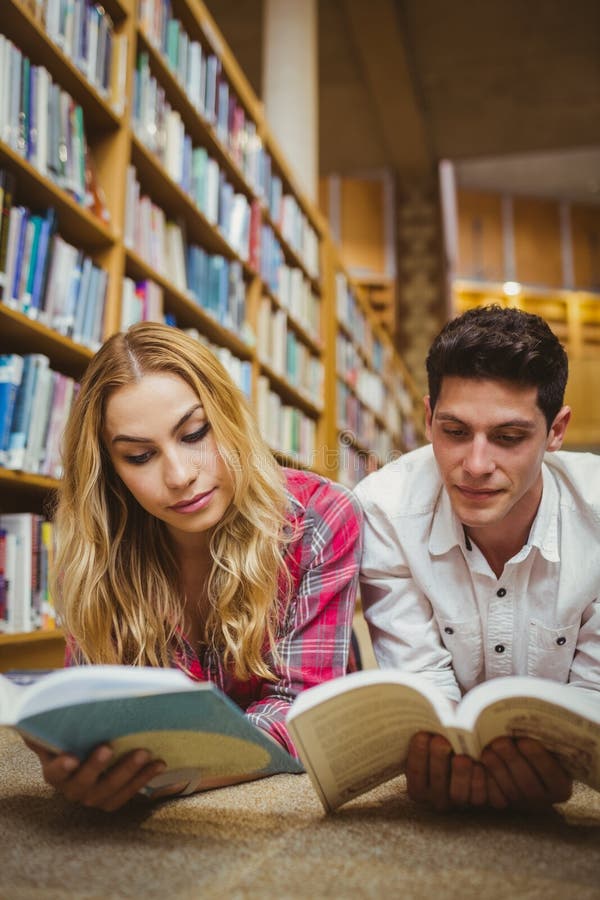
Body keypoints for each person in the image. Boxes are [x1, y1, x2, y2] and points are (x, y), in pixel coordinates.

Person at [29, 322, 362, 811]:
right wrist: (76, 757)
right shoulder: (94, 549)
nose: (180, 476)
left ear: (229, 418)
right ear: (112, 471)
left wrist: (165, 769)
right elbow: (94, 707)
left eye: (195, 433)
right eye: (140, 456)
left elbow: (305, 714)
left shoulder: (320, 516)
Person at [355, 305, 600, 813]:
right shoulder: (383, 507)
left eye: (509, 438)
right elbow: (424, 693)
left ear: (556, 431)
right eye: (454, 431)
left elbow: (592, 711)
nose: (476, 465)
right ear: (427, 419)